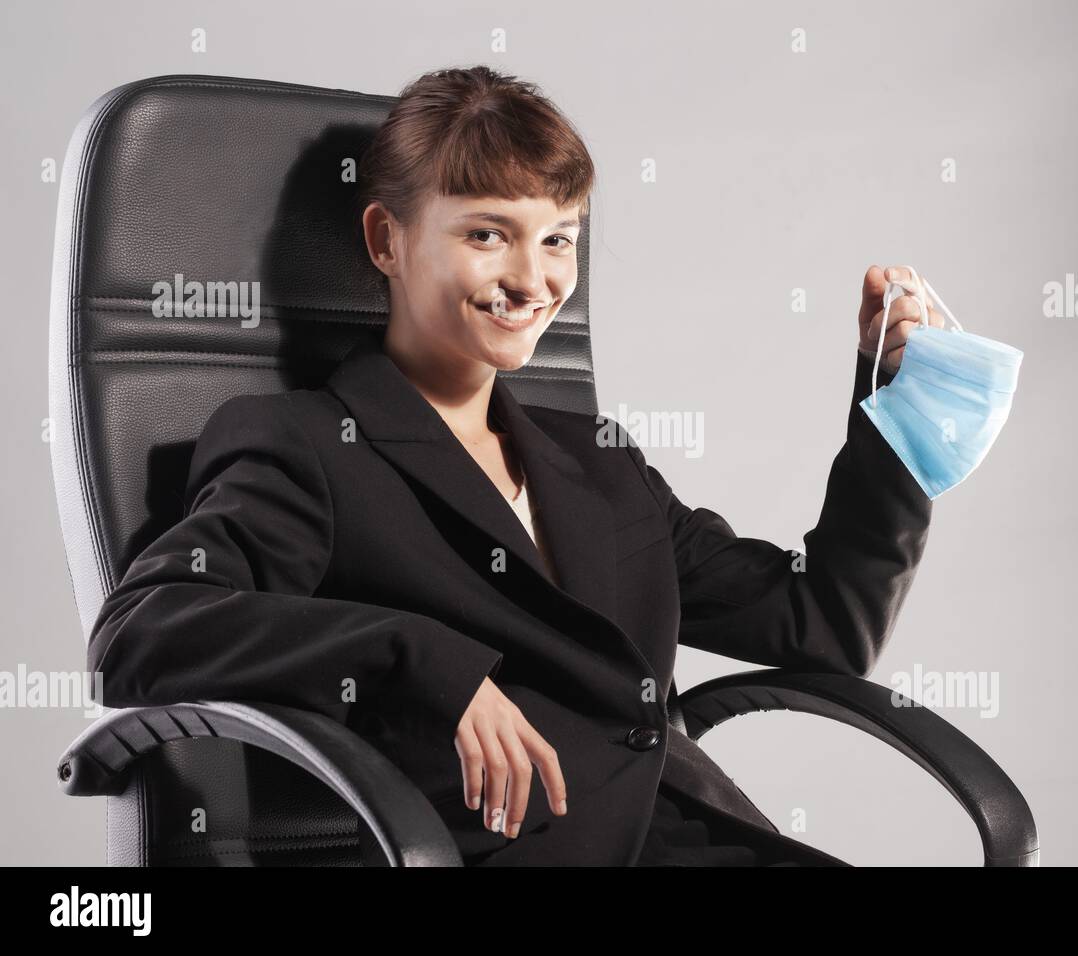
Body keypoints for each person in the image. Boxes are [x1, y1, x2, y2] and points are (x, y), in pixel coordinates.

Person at [88, 66, 938, 866]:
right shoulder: (307, 446)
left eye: (559, 239)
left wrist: (894, 403)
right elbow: (140, 634)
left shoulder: (599, 463)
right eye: (489, 234)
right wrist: (419, 659)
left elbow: (824, 626)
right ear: (387, 239)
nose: (535, 280)